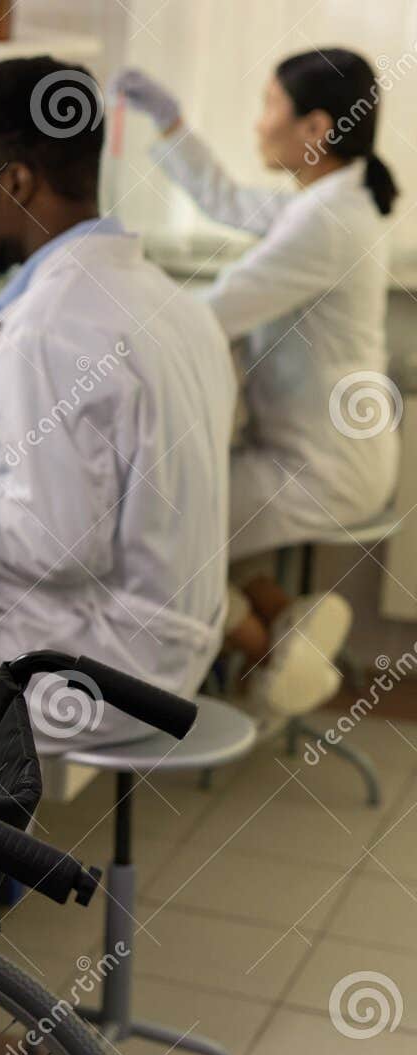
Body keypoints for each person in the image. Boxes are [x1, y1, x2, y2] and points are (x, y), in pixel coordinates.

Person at [0, 57, 236, 795]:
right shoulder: (167, 299)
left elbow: (53, 548)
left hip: (91, 666)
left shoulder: (48, 325)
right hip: (164, 642)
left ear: (14, 182)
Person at [116, 49, 399, 709]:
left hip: (324, 465)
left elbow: (212, 313)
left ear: (314, 128)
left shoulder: (329, 221)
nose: (258, 123)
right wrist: (172, 123)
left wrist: (110, 327)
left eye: (270, 105)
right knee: (199, 501)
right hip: (314, 448)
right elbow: (227, 200)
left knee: (162, 528)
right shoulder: (333, 195)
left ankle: (269, 650)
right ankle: (286, 619)